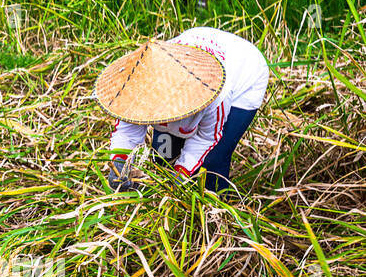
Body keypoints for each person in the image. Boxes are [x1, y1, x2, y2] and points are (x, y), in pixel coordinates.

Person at [95, 26, 269, 193]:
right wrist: (120, 164)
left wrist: (181, 174)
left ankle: (217, 210)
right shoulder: (136, 85)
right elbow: (127, 132)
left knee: (212, 163)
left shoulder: (214, 93)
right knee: (162, 157)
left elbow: (207, 138)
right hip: (197, 41)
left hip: (246, 74)